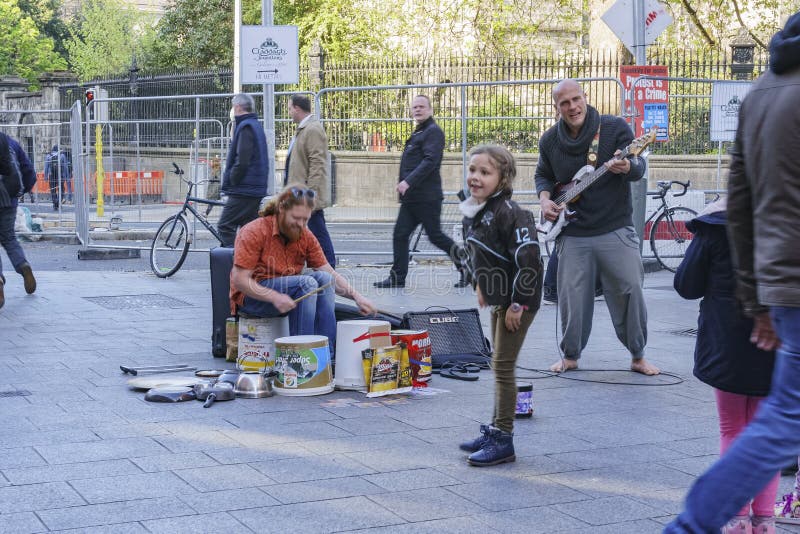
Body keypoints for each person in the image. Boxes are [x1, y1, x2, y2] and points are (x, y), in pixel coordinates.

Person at [664, 12, 800, 534]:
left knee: (770, 423)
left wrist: (756, 298)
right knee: (778, 422)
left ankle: (716, 521)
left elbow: (737, 207)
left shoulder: (761, 90)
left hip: (779, 289)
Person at [534, 79, 658, 376]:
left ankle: (638, 356)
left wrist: (627, 167)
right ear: (556, 107)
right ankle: (570, 356)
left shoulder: (614, 128)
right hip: (573, 232)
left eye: (576, 99)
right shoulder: (549, 140)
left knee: (630, 290)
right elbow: (543, 175)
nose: (572, 107)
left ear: (585, 97)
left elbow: (639, 168)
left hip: (615, 227)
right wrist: (545, 199)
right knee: (572, 299)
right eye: (565, 103)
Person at [674, 197, 777, 534]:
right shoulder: (786, 223)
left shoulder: (715, 225)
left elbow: (686, 286)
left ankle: (737, 517)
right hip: (776, 343)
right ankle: (764, 520)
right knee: (767, 433)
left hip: (727, 342)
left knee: (732, 428)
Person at [457, 145, 542, 467]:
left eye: (485, 172)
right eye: (472, 170)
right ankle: (495, 429)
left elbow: (529, 260)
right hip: (500, 298)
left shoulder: (512, 213)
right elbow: (475, 254)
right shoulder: (476, 210)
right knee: (498, 364)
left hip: (518, 301)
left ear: (502, 178)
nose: (475, 177)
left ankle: (503, 439)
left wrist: (517, 304)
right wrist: (480, 285)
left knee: (504, 367)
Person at [230, 185, 376, 349]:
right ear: (281, 209)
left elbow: (328, 271)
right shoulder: (254, 231)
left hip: (289, 291)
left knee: (325, 279)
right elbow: (240, 280)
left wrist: (358, 297)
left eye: (305, 220)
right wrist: (274, 297)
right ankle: (301, 352)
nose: (301, 224)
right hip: (253, 296)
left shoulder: (305, 234)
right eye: (296, 218)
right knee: (306, 283)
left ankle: (326, 353)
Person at [374, 95, 466, 289]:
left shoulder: (433, 132)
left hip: (427, 198)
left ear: (430, 110)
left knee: (435, 236)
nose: (417, 109)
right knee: (400, 235)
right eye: (415, 107)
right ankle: (397, 278)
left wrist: (408, 181)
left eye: (421, 106)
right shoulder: (420, 131)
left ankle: (466, 267)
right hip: (412, 198)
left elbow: (430, 161)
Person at [285, 94, 336, 267]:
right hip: (298, 193)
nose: (289, 112)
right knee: (300, 231)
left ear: (297, 108)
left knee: (317, 232)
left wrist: (310, 194)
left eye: (290, 108)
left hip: (305, 195)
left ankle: (329, 266)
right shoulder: (303, 129)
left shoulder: (312, 129)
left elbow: (317, 163)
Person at [218, 93, 268, 247]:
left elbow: (242, 161)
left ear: (238, 107)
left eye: (233, 107)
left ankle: (236, 259)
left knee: (225, 226)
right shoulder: (255, 125)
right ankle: (253, 260)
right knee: (249, 232)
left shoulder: (246, 127)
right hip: (254, 188)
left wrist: (232, 180)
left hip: (244, 189)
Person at [0, 133, 37, 309]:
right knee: (9, 238)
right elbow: (29, 171)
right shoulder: (10, 142)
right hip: (9, 200)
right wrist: (19, 192)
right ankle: (23, 265)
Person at [44, 145, 70, 210]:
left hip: (51, 175)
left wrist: (46, 177)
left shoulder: (48, 156)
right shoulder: (62, 156)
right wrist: (66, 176)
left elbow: (46, 167)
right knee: (61, 189)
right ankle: (58, 202)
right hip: (60, 175)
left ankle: (55, 204)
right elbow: (65, 167)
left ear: (52, 150)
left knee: (53, 190)